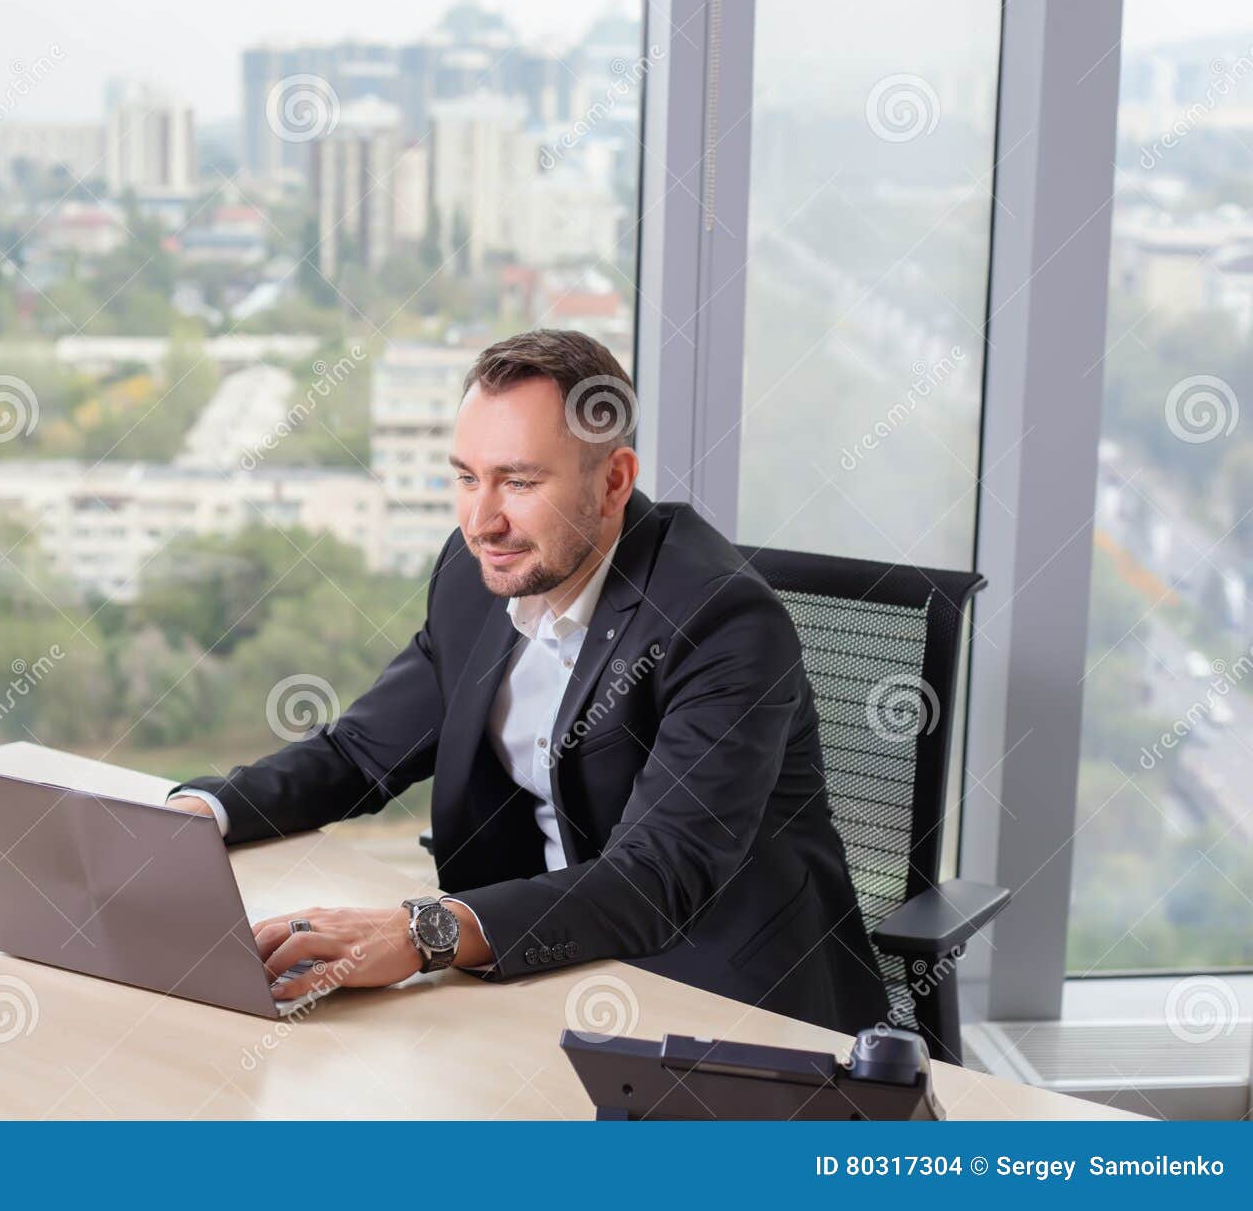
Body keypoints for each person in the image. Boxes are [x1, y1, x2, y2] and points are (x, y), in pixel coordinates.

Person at [166, 328, 889, 1033]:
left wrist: (418, 931)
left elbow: (655, 877)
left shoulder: (724, 622)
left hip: (716, 999)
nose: (482, 520)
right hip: (533, 970)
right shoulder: (477, 572)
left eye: (518, 480)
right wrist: (198, 816)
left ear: (613, 482)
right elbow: (361, 752)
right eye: (465, 477)